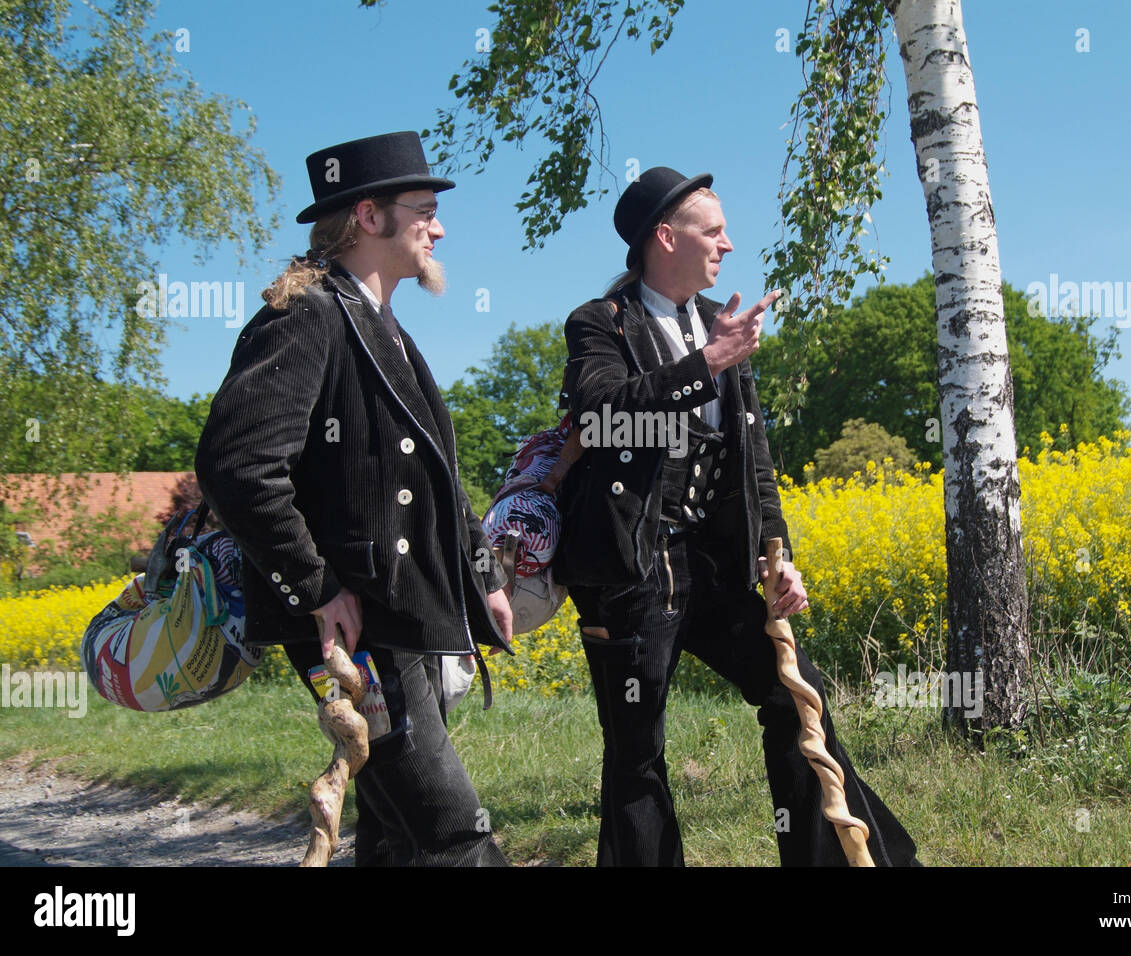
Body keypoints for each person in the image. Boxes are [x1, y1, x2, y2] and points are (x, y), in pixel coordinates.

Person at [553, 166, 920, 866]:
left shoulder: (719, 319)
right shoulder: (601, 323)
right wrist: (707, 361)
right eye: (712, 230)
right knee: (635, 751)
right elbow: (600, 417)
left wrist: (778, 556)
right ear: (666, 237)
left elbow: (753, 458)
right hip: (632, 571)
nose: (727, 243)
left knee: (795, 697)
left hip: (714, 569)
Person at [195, 131, 513, 866]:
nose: (439, 227)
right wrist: (315, 585)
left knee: (398, 836)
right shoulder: (307, 314)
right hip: (356, 632)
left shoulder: (387, 330)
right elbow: (236, 466)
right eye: (424, 209)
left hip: (401, 619)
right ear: (369, 217)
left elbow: (438, 483)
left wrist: (484, 577)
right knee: (455, 837)